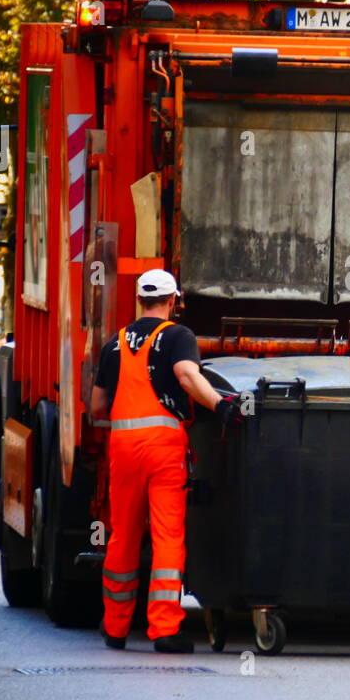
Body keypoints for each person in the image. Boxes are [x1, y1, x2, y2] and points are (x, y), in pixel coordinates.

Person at [89, 269, 245, 652]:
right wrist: (221, 405)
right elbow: (188, 376)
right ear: (174, 300)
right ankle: (164, 630)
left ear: (140, 299)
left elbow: (96, 405)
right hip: (162, 448)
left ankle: (115, 627)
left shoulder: (115, 343)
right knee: (167, 535)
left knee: (123, 534)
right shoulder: (178, 336)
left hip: (123, 448)